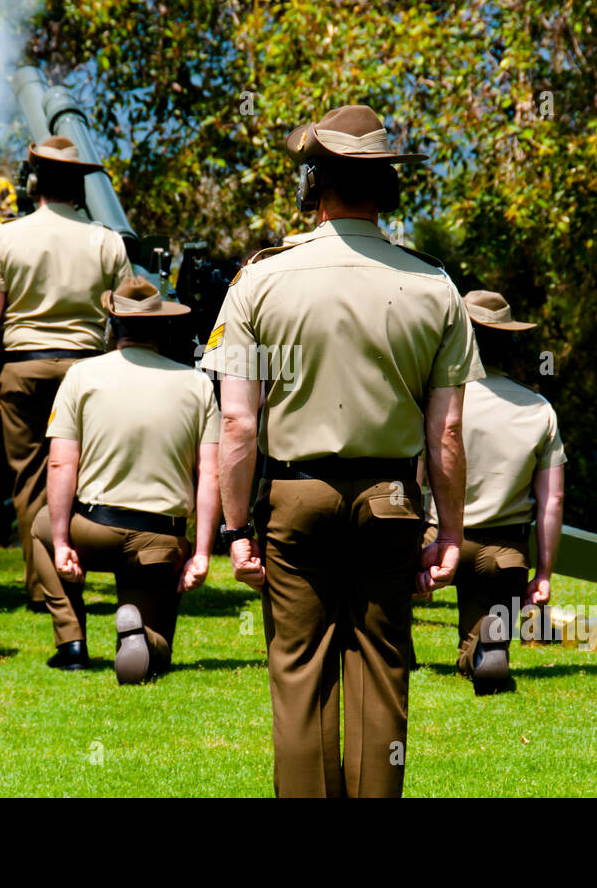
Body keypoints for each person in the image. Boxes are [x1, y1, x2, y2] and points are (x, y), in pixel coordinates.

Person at [202, 104, 483, 797]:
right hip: (391, 501)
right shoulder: (434, 285)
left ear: (311, 184)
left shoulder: (260, 280)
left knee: (299, 672)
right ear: (386, 186)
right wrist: (450, 531)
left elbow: (237, 424)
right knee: (381, 673)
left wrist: (235, 530)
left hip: (294, 498)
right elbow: (446, 432)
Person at [28, 276, 220, 682]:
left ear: (111, 325)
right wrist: (201, 552)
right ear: (162, 328)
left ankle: (71, 642)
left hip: (95, 530)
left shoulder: (82, 375)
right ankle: (143, 640)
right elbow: (211, 474)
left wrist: (62, 542)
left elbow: (61, 465)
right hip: (159, 541)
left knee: (41, 524)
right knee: (157, 653)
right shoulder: (197, 383)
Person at [0, 136, 132, 607]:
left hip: (23, 369)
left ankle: (45, 588)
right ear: (79, 187)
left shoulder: (6, 236)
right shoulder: (106, 241)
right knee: (84, 478)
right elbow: (129, 316)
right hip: (86, 373)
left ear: (35, 182)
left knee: (29, 480)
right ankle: (77, 568)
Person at [444, 290, 565, 694]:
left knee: (382, 591)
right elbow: (552, 500)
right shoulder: (539, 409)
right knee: (477, 643)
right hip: (504, 553)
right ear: (508, 344)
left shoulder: (440, 401)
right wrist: (543, 574)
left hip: (436, 540)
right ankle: (482, 648)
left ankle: (396, 649)